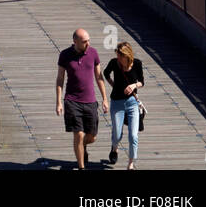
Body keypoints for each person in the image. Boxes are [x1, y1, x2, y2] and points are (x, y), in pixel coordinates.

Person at [56, 27, 109, 171]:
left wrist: (105, 98)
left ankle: (82, 146)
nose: (88, 44)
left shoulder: (93, 53)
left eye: (89, 40)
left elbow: (99, 77)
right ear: (75, 41)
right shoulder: (65, 55)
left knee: (92, 136)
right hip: (72, 100)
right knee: (78, 134)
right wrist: (59, 101)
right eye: (84, 41)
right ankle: (81, 167)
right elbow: (60, 79)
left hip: (90, 101)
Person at [103, 42, 144, 170]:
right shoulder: (114, 63)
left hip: (132, 102)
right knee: (117, 134)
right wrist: (113, 85)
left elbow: (142, 82)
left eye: (120, 55)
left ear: (127, 55)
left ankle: (131, 163)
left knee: (133, 136)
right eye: (118, 55)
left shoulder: (137, 64)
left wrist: (133, 85)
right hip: (117, 102)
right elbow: (105, 73)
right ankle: (114, 149)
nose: (118, 58)